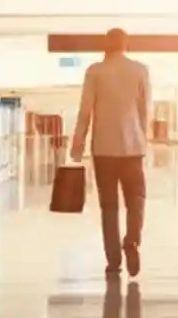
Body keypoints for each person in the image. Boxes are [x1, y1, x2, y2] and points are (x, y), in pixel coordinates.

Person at [71, 28, 152, 277]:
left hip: (104, 149)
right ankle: (132, 240)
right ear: (126, 44)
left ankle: (114, 260)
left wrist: (78, 144)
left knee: (109, 207)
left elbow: (86, 110)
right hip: (132, 149)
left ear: (105, 45)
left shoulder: (95, 72)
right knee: (136, 200)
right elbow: (144, 110)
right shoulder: (140, 70)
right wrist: (141, 137)